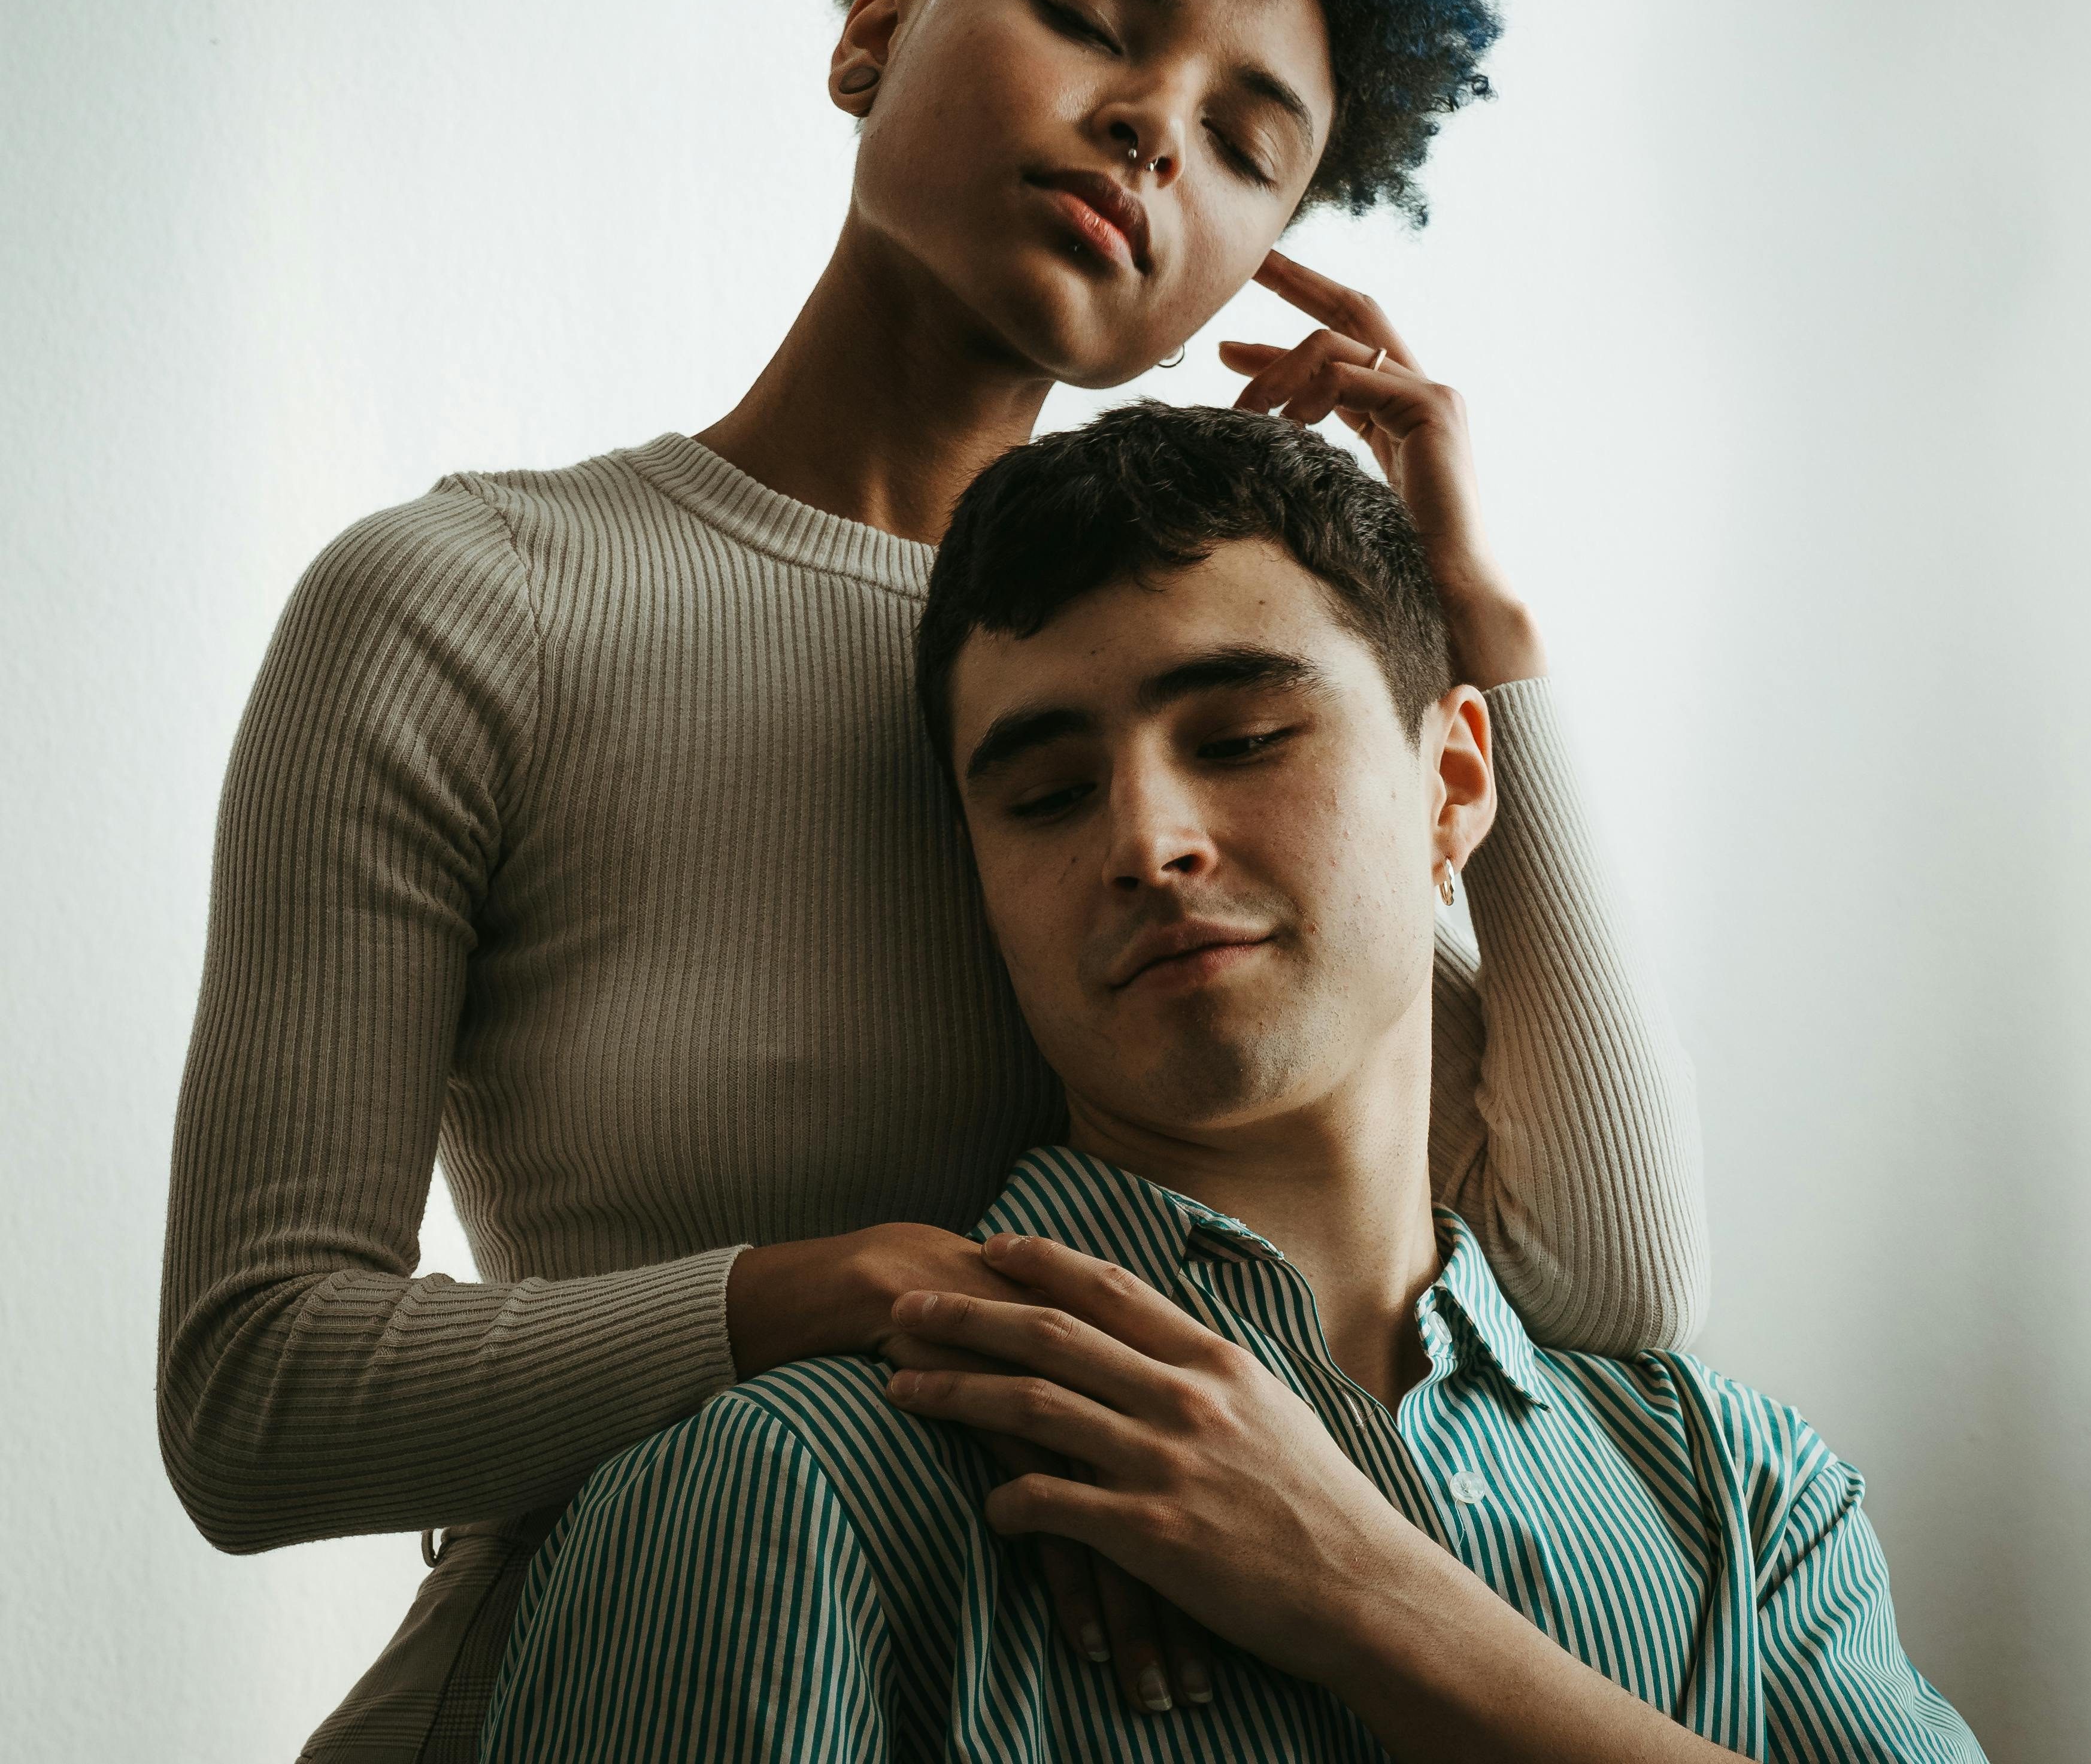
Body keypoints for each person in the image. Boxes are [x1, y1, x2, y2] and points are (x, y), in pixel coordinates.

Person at [159, 0, 1707, 1762]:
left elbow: (1595, 1293)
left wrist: (1481, 635)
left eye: (1254, 138)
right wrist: (862, 1294)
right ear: (875, 25)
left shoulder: (1157, 699)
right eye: (1089, 14)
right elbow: (256, 1394)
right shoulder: (465, 605)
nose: (1153, 130)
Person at [478, 402, 1980, 1764]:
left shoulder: (1739, 1495)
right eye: (1050, 794)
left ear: (1455, 783)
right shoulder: (780, 1499)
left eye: (1245, 737)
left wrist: (1368, 1596)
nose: (1146, 841)